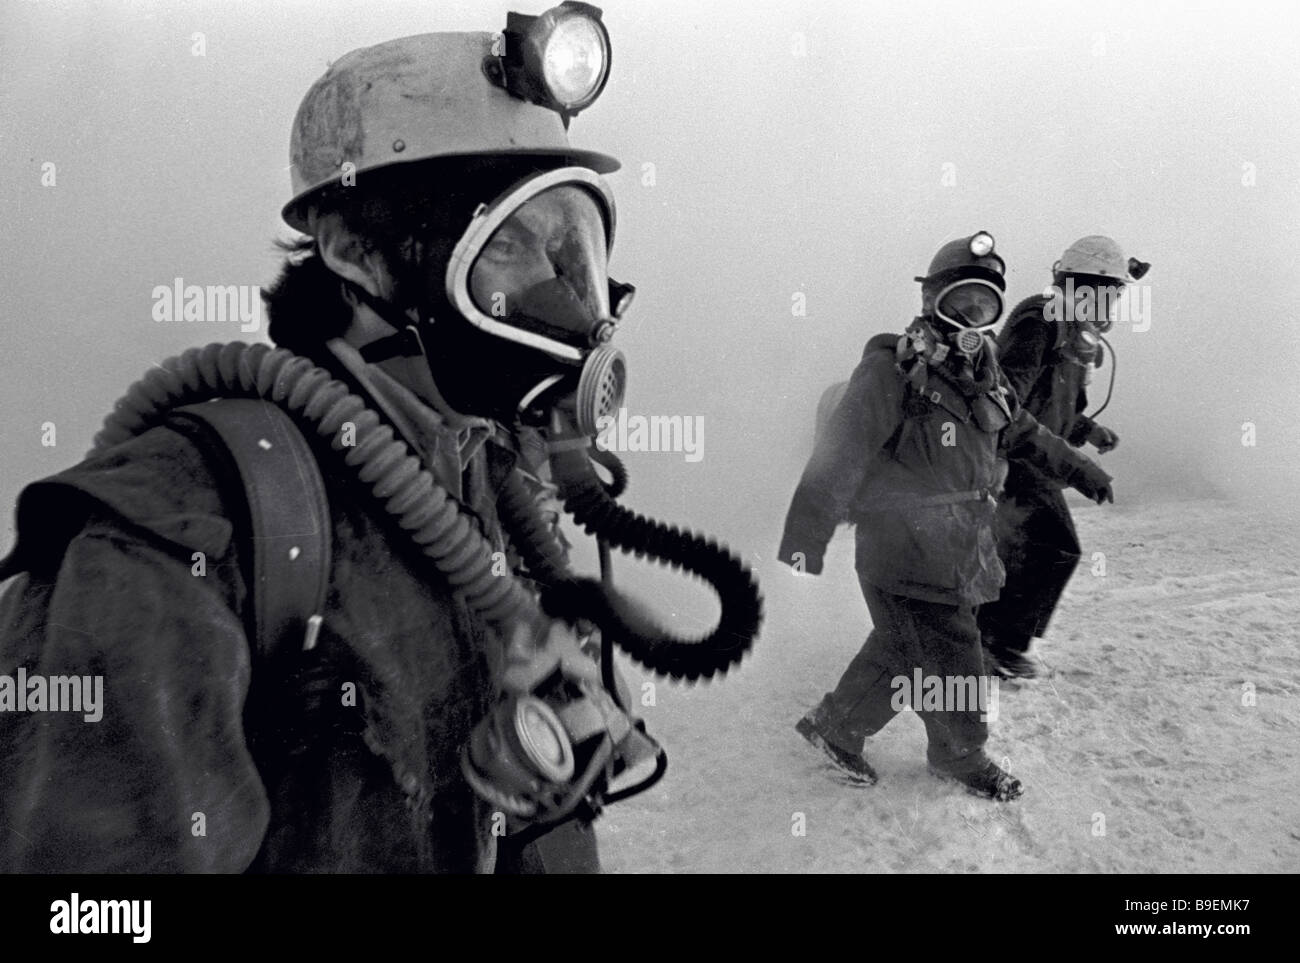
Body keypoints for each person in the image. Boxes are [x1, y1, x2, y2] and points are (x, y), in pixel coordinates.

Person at [0, 10, 693, 873]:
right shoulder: (176, 538)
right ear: (354, 248)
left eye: (567, 245)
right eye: (510, 242)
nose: (563, 295)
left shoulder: (481, 479)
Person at [778, 232, 1115, 800]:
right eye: (960, 302)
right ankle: (960, 754)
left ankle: (833, 727)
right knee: (958, 657)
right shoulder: (893, 370)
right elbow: (842, 453)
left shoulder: (982, 371)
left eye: (985, 307)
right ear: (932, 299)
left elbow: (1024, 432)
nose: (971, 318)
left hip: (959, 547)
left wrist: (1081, 469)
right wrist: (805, 538)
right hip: (901, 549)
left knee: (905, 646)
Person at [977, 236, 1149, 679]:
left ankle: (989, 640)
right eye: (1112, 291)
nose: (1116, 302)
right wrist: (1077, 466)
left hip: (1038, 457)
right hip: (1015, 458)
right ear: (1086, 286)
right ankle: (995, 645)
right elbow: (1007, 406)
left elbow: (1059, 408)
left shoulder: (1073, 332)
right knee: (1056, 546)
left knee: (1022, 550)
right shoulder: (1041, 322)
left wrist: (1090, 430)